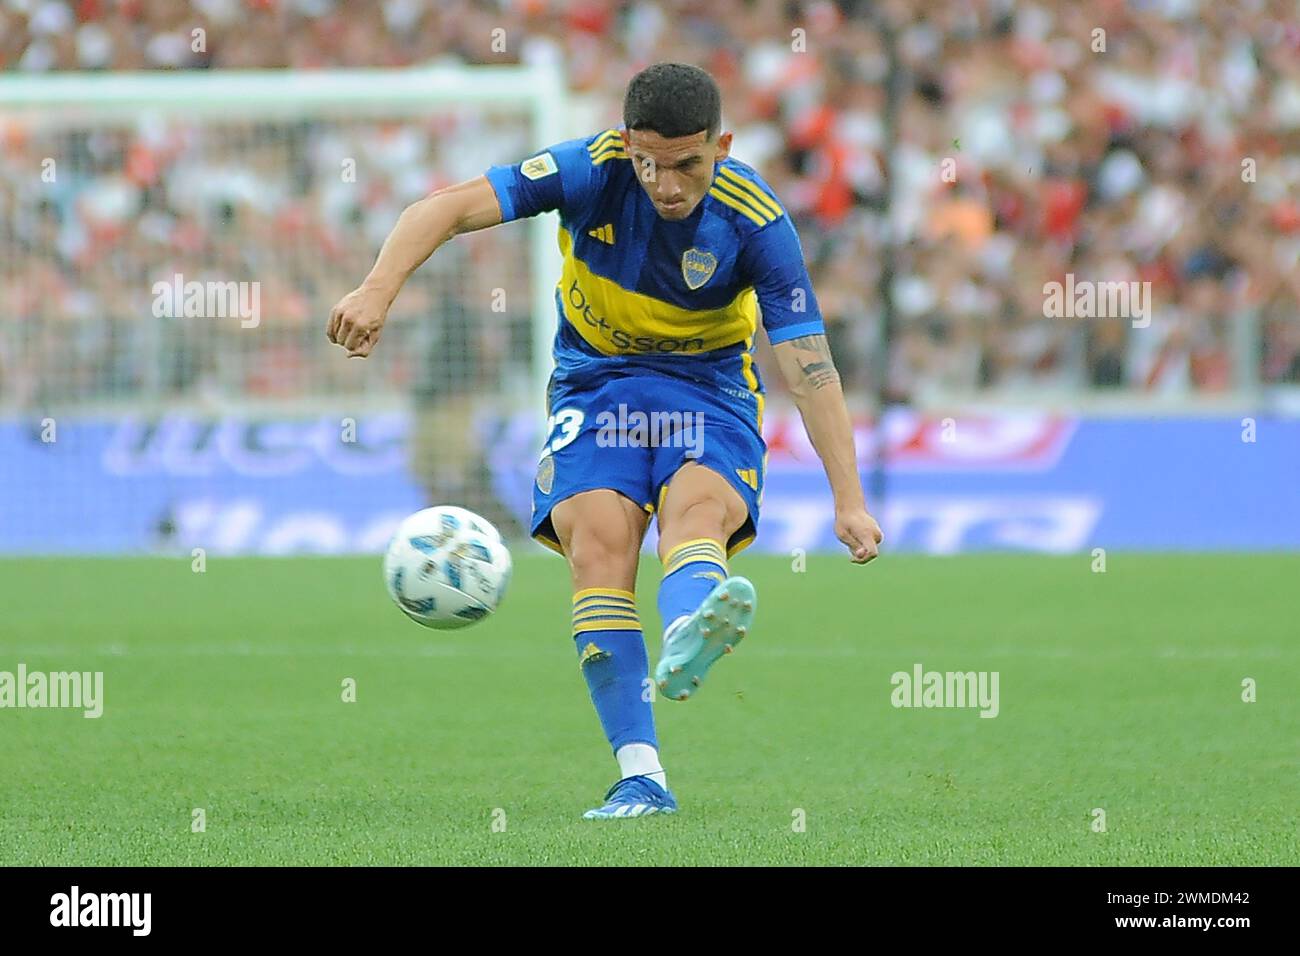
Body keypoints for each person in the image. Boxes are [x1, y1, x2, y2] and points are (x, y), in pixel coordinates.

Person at [327, 63, 882, 819]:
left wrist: (848, 500)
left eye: (687, 164)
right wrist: (376, 289)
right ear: (628, 142)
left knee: (695, 512)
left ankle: (691, 622)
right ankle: (642, 776)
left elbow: (808, 367)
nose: (667, 183)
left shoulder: (756, 221)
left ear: (721, 146)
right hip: (597, 385)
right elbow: (449, 207)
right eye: (650, 161)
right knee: (596, 544)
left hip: (706, 390)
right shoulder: (591, 168)